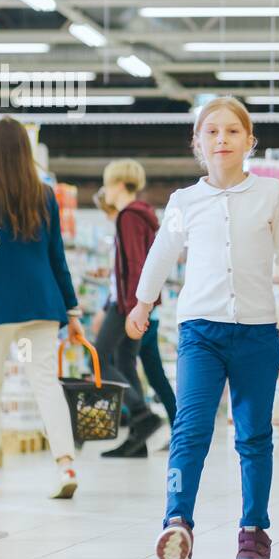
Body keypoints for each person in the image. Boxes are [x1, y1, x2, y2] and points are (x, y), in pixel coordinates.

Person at [127, 96, 279, 559]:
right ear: (197, 143)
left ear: (249, 141)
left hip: (256, 333)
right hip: (200, 334)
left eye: (232, 131)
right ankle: (177, 525)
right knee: (190, 430)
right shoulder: (184, 202)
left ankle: (253, 532)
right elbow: (161, 254)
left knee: (254, 436)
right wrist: (142, 303)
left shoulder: (272, 195)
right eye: (211, 131)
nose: (222, 139)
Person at [0, 116, 86, 499]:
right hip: (39, 312)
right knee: (44, 382)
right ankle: (65, 464)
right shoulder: (44, 195)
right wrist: (72, 311)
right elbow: (56, 256)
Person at [94, 159, 164, 458]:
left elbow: (135, 264)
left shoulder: (128, 216)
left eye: (108, 185)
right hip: (132, 300)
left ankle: (141, 414)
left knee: (98, 357)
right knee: (124, 362)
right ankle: (137, 441)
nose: (105, 192)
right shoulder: (142, 215)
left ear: (120, 185)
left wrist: (135, 306)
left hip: (128, 303)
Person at [94, 188, 177, 430]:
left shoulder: (127, 221)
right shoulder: (140, 221)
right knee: (143, 371)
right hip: (144, 310)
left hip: (135, 311)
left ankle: (143, 417)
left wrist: (129, 308)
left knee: (113, 362)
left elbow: (132, 270)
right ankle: (159, 427)